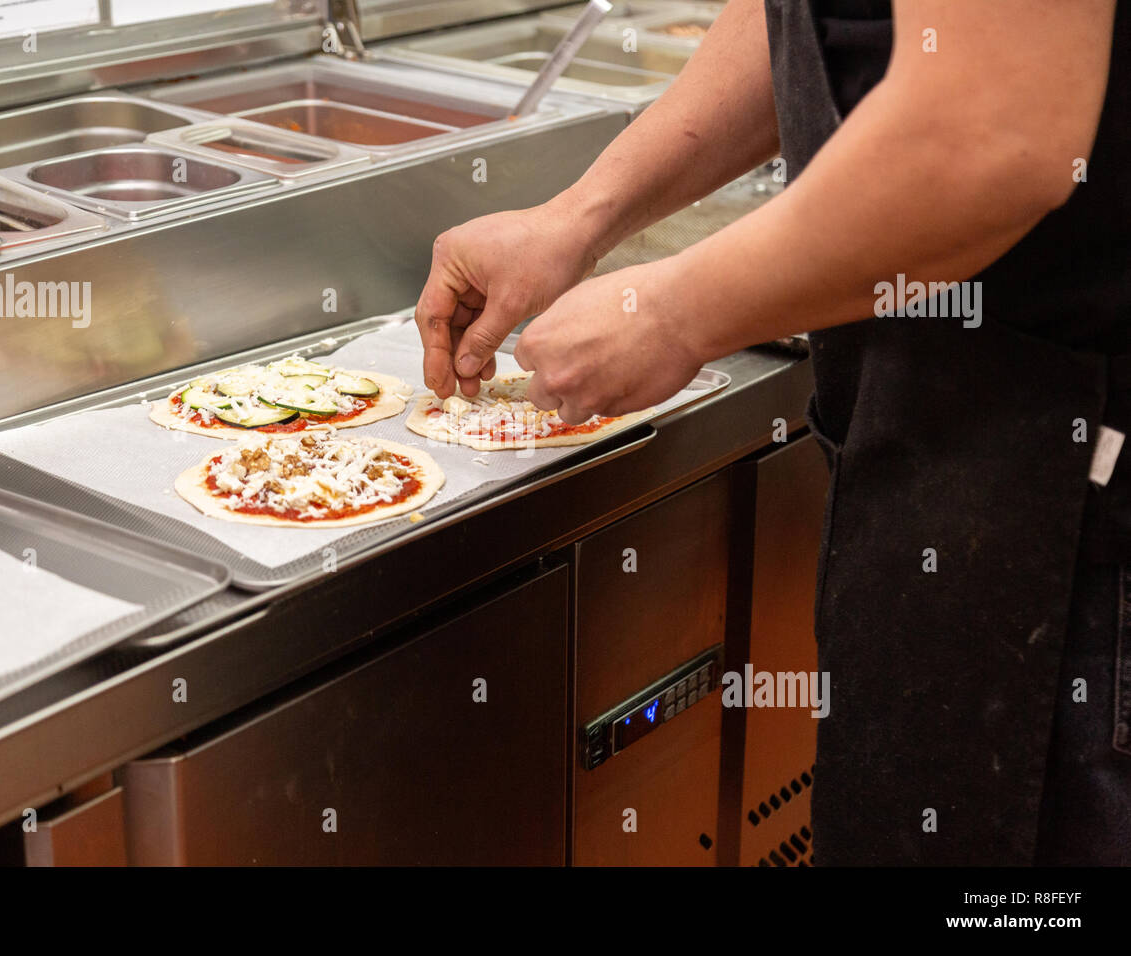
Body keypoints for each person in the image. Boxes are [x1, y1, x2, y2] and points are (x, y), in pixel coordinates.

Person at [413, 0, 1129, 865]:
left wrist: (671, 314)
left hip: (1073, 506)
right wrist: (577, 220)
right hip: (940, 462)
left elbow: (990, 140)